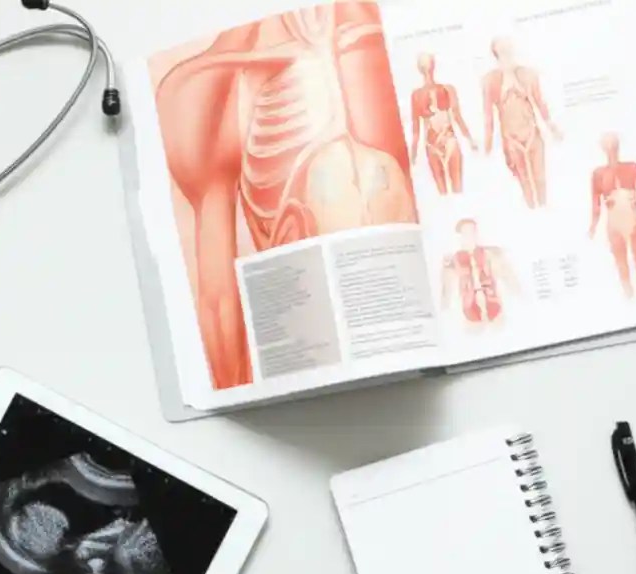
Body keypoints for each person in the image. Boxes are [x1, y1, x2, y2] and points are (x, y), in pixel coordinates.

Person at [153, 3, 416, 389]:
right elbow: (217, 296)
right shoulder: (208, 84)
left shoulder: (372, 25)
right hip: (317, 334)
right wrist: (236, 397)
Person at [481, 37, 561, 209]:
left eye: (508, 49)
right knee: (523, 179)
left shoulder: (527, 74)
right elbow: (488, 115)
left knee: (540, 178)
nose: (507, 53)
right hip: (511, 137)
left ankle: (545, 209)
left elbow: (540, 103)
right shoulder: (490, 80)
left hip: (532, 133)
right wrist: (486, 146)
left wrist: (553, 128)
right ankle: (532, 211)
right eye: (502, 51)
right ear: (495, 54)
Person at [588, 133, 636, 297]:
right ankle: (635, 298)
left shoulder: (628, 168)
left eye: (611, 146)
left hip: (628, 218)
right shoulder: (601, 173)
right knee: (625, 265)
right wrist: (592, 227)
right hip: (620, 220)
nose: (610, 150)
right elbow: (596, 205)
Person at [410, 53, 477, 195]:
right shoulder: (418, 95)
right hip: (437, 143)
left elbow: (457, 116)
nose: (427, 70)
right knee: (446, 192)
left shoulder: (445, 89)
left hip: (443, 141)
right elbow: (416, 129)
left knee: (454, 190)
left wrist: (470, 140)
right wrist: (413, 156)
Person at [442, 219, 519, 325]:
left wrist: (517, 292)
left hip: (493, 304)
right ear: (460, 236)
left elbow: (507, 276)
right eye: (466, 233)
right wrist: (445, 307)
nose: (470, 236)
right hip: (469, 308)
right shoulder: (454, 259)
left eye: (472, 232)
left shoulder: (488, 253)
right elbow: (447, 288)